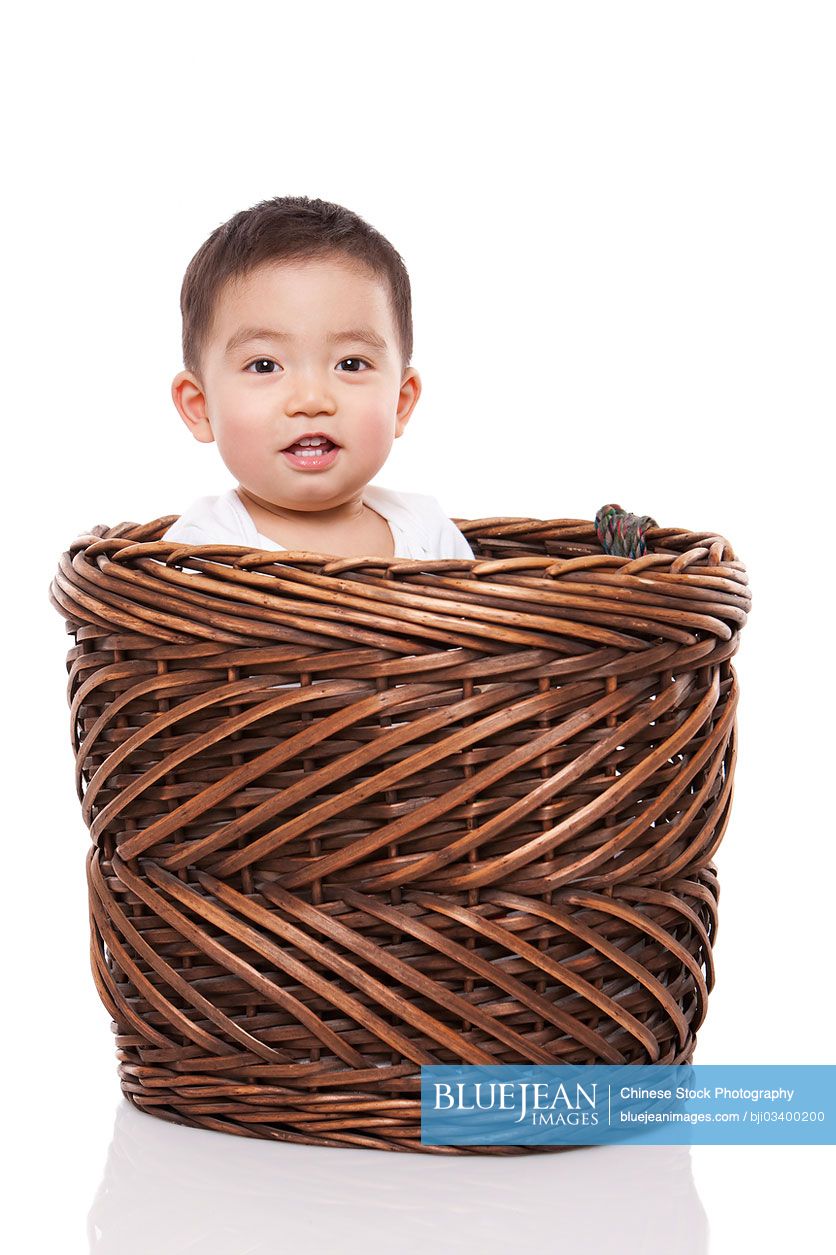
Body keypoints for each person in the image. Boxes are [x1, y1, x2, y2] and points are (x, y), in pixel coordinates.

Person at [162, 195, 476, 561]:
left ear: (401, 403)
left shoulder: (428, 531)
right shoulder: (200, 547)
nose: (312, 400)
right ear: (199, 407)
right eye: (265, 366)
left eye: (351, 364)